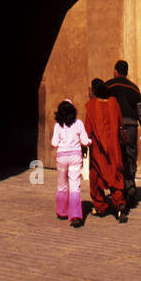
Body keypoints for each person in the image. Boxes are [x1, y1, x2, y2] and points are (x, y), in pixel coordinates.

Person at [105, 59, 141, 208]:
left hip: (114, 126)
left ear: (116, 71)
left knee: (115, 157)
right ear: (127, 72)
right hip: (130, 126)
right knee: (130, 156)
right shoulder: (134, 89)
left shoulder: (109, 86)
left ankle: (117, 191)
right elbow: (140, 111)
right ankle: (130, 187)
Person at [85, 79, 127, 222]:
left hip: (99, 150)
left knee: (96, 177)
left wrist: (84, 146)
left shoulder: (91, 106)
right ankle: (120, 204)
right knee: (116, 175)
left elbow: (88, 130)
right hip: (114, 148)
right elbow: (121, 122)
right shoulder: (114, 103)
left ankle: (100, 206)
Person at [50, 99, 89, 227]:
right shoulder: (78, 123)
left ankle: (62, 212)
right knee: (75, 185)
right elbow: (84, 141)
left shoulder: (58, 126)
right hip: (75, 157)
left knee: (62, 185)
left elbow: (54, 143)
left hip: (61, 158)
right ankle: (75, 215)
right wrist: (90, 141)